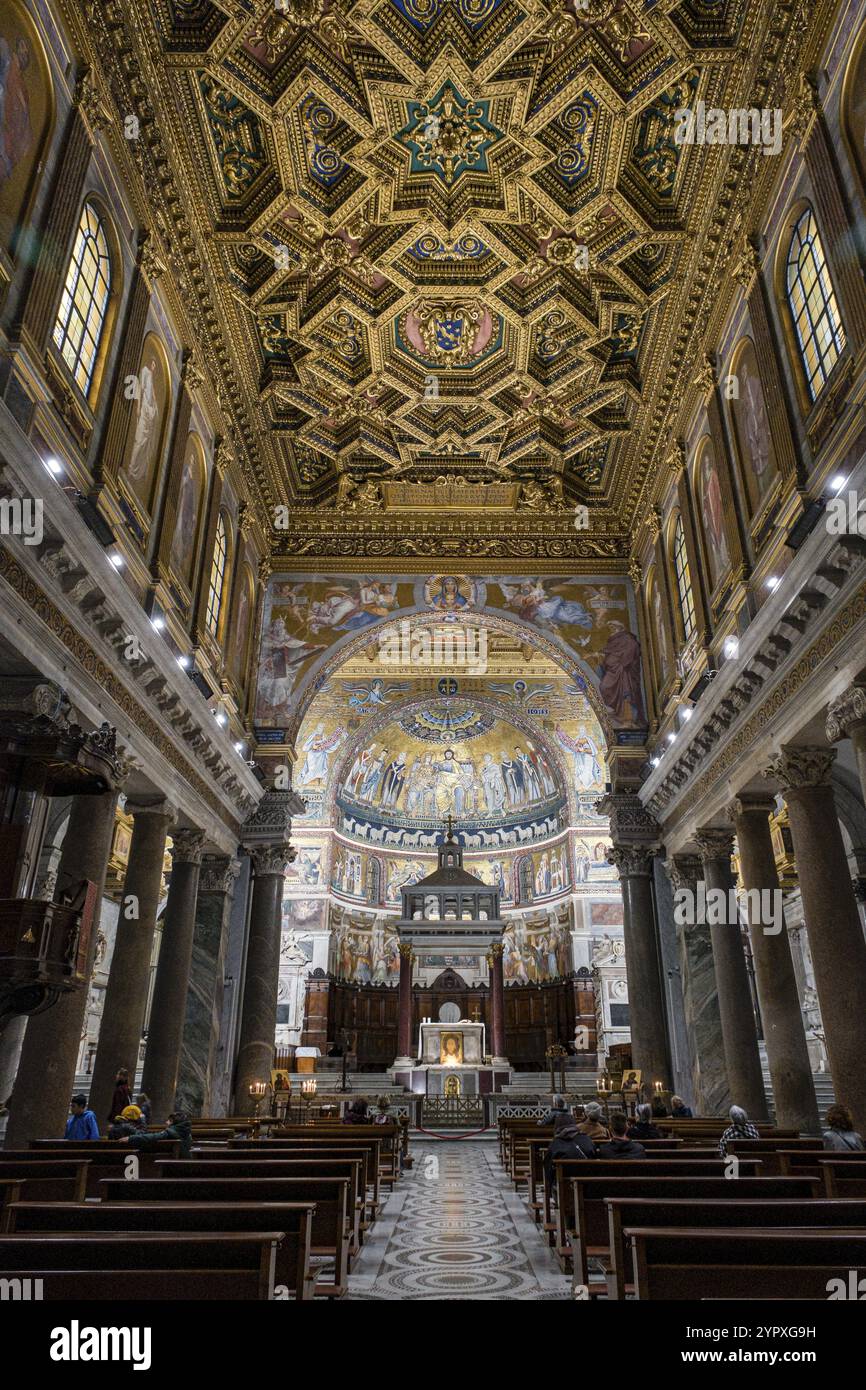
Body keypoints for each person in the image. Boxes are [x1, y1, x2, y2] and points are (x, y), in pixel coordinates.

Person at [544, 1120, 596, 1192]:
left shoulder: (556, 1143)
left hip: (564, 1188)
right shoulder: (586, 1139)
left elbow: (548, 1165)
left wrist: (550, 1185)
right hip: (589, 1186)